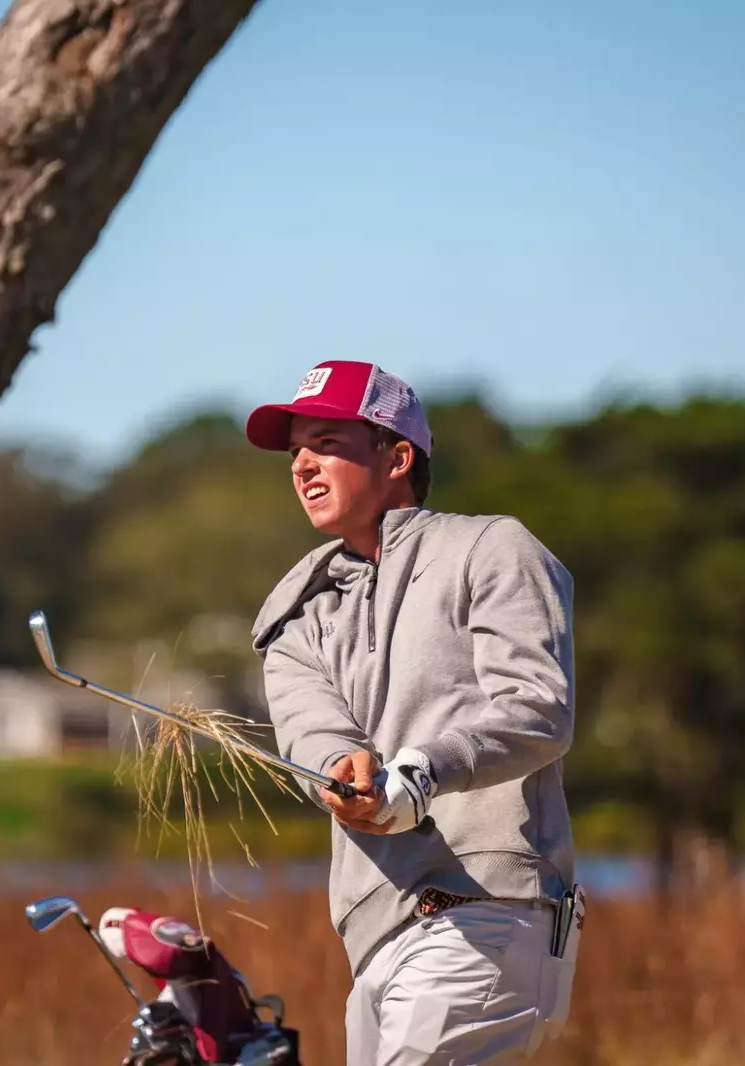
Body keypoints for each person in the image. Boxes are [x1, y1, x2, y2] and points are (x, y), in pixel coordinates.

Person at [245, 359, 581, 1065]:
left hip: (490, 913)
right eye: (296, 450)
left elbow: (538, 709)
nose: (303, 464)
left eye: (328, 443)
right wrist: (345, 773)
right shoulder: (293, 614)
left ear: (397, 457)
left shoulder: (490, 549)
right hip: (375, 937)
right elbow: (315, 733)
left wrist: (418, 775)